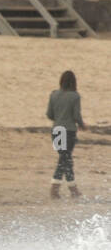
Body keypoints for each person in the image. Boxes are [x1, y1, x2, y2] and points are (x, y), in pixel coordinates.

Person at [47, 70, 85, 199]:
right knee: (65, 159)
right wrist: (82, 124)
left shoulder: (53, 95)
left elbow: (49, 114)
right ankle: (58, 188)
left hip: (56, 130)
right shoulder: (75, 96)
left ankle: (71, 189)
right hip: (68, 131)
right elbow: (76, 115)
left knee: (65, 159)